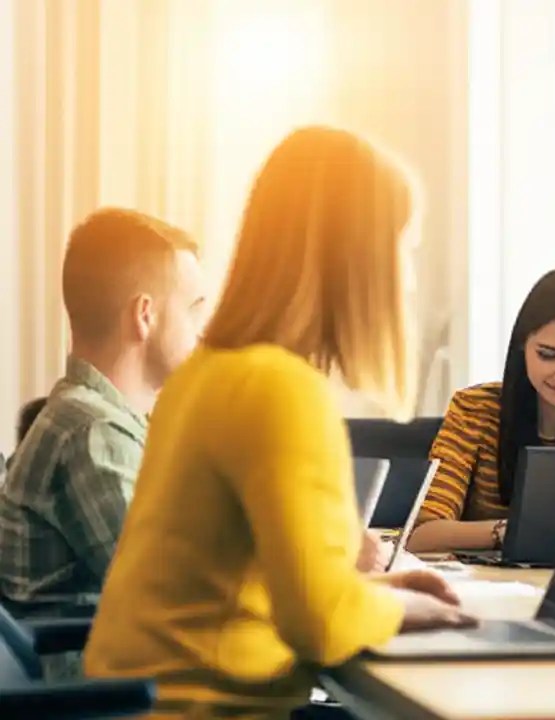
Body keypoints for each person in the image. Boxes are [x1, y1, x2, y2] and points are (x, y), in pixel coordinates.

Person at [84, 127, 475, 716]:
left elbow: (237, 588)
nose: (410, 278)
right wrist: (398, 611)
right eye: (405, 250)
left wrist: (369, 596)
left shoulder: (207, 374)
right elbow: (317, 626)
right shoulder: (280, 390)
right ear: (358, 257)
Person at [0, 208, 206, 620]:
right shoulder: (91, 433)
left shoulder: (94, 421)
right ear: (144, 315)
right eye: (193, 310)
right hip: (104, 682)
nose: (201, 331)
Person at [408, 270, 555, 553]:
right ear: (523, 346)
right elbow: (421, 534)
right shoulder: (474, 409)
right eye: (548, 354)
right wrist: (511, 532)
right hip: (491, 588)